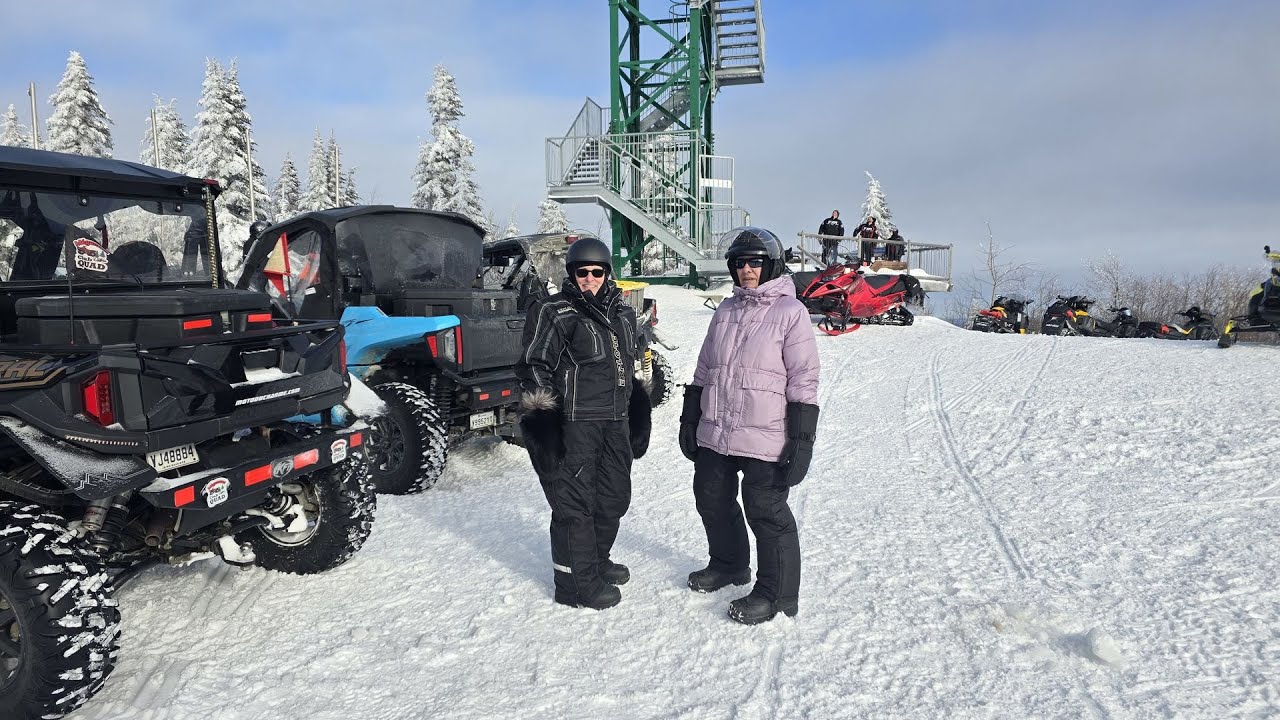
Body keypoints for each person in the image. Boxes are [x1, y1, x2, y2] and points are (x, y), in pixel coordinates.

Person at [679, 227, 821, 625]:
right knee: (710, 496)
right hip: (718, 428)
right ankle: (728, 563)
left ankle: (777, 594)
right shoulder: (724, 311)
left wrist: (802, 439)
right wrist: (692, 415)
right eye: (740, 263)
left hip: (766, 432)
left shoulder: (789, 313)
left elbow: (804, 377)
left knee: (766, 510)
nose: (746, 270)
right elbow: (706, 366)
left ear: (770, 265)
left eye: (755, 262)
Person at [516, 237, 652, 611]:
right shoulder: (554, 311)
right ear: (572, 275)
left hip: (616, 421)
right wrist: (543, 424)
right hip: (576, 424)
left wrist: (638, 409)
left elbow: (630, 365)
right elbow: (533, 366)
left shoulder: (624, 315)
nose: (589, 278)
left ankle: (595, 562)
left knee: (613, 498)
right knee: (574, 505)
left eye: (597, 272)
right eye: (582, 272)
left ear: (607, 274)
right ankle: (574, 584)